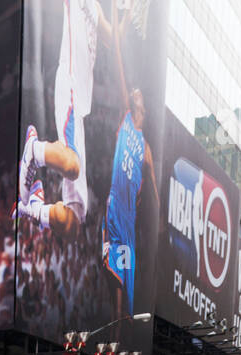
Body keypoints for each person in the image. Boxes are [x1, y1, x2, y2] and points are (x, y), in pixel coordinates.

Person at [17, 0, 114, 236]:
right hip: (70, 84)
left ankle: (34, 207)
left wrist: (129, 12)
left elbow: (114, 39)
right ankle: (34, 149)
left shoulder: (97, 8)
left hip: (81, 105)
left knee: (73, 224)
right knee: (72, 166)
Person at [102, 8, 160, 321]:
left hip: (130, 220)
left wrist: (159, 220)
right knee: (114, 285)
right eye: (133, 92)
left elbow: (152, 192)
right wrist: (115, 13)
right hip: (114, 211)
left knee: (125, 297)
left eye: (138, 93)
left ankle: (117, 341)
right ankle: (111, 337)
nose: (134, 92)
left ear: (144, 108)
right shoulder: (125, 117)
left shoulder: (147, 148)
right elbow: (119, 64)